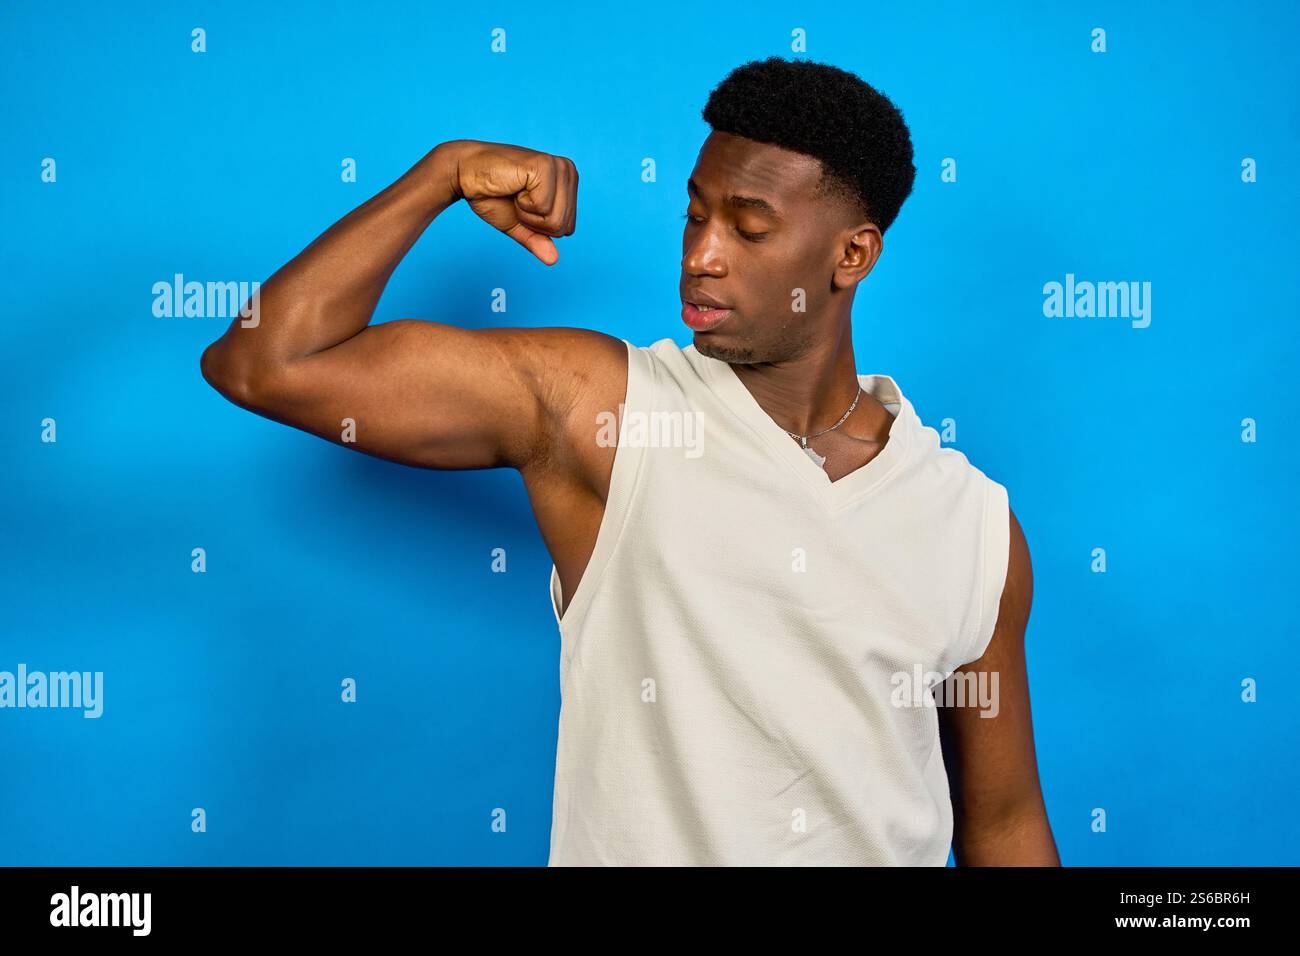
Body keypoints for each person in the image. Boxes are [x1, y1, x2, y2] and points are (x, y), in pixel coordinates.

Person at [201, 56, 1058, 866]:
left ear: (852, 256)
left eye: (749, 228)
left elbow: (1006, 825)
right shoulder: (603, 411)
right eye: (695, 213)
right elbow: (264, 362)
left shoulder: (971, 522)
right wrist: (444, 173)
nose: (701, 255)